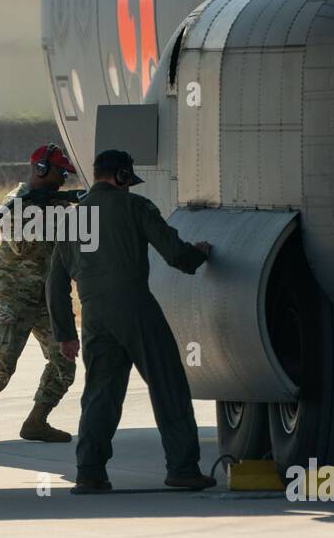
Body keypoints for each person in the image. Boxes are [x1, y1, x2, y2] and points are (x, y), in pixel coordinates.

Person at [47, 150, 215, 493]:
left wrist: (65, 334)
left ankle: (90, 473)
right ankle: (183, 468)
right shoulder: (136, 206)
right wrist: (199, 253)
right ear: (122, 176)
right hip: (135, 306)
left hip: (94, 316)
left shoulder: (70, 220)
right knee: (167, 384)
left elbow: (55, 283)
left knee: (100, 394)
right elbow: (176, 254)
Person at [0, 144, 81, 446]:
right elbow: (20, 241)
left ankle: (37, 421)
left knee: (64, 360)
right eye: (60, 172)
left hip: (47, 297)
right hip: (14, 296)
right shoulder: (15, 203)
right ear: (40, 169)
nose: (65, 178)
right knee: (1, 359)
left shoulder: (62, 206)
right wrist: (45, 208)